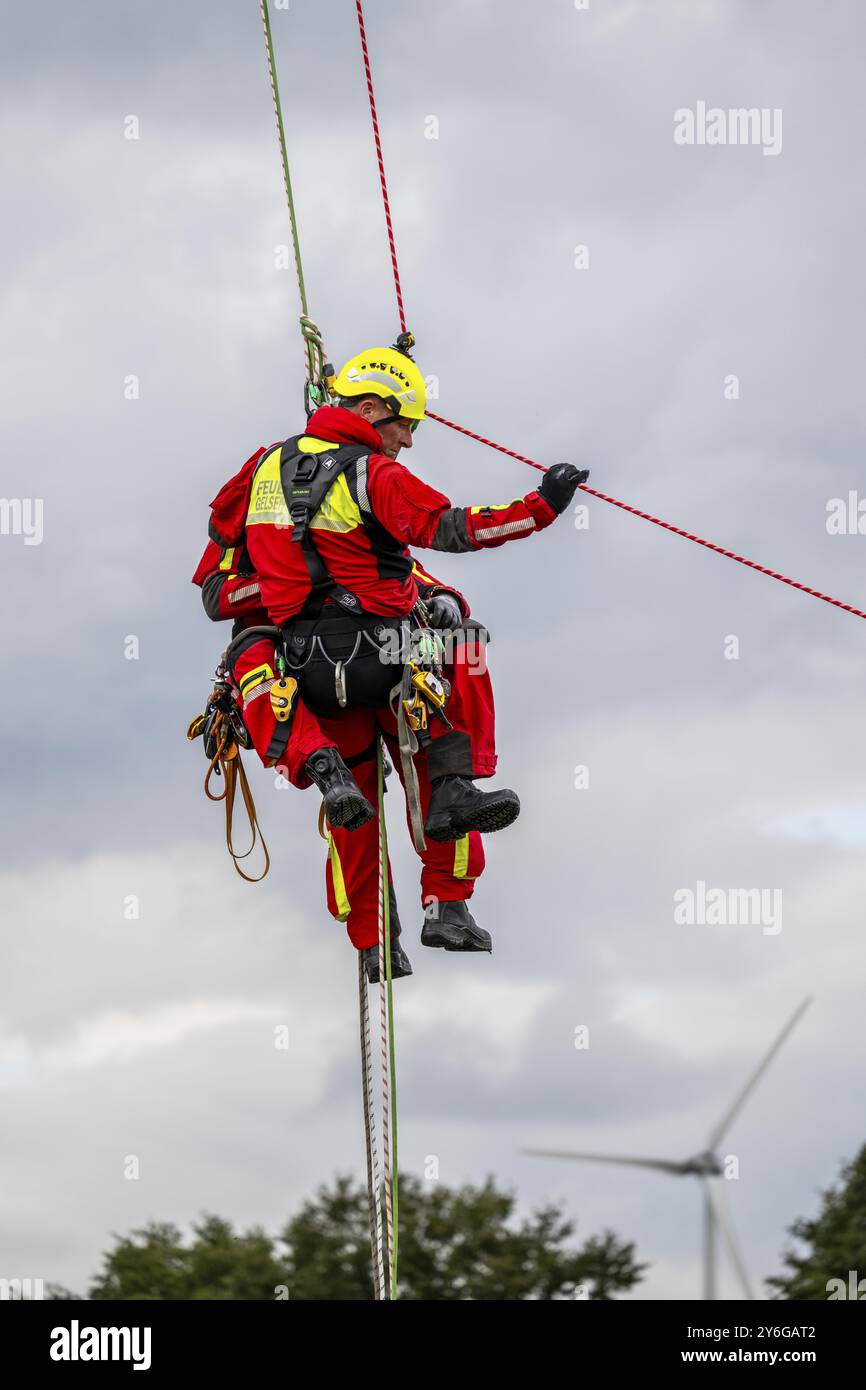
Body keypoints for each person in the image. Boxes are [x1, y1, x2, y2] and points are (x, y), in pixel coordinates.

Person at [193, 342, 586, 980]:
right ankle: (451, 877)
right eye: (405, 424)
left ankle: (374, 938)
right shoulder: (375, 477)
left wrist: (289, 584)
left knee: (352, 809)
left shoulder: (260, 469)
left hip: (305, 671)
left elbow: (215, 585)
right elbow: (459, 528)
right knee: (460, 662)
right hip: (386, 657)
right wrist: (543, 506)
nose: (406, 441)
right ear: (372, 408)